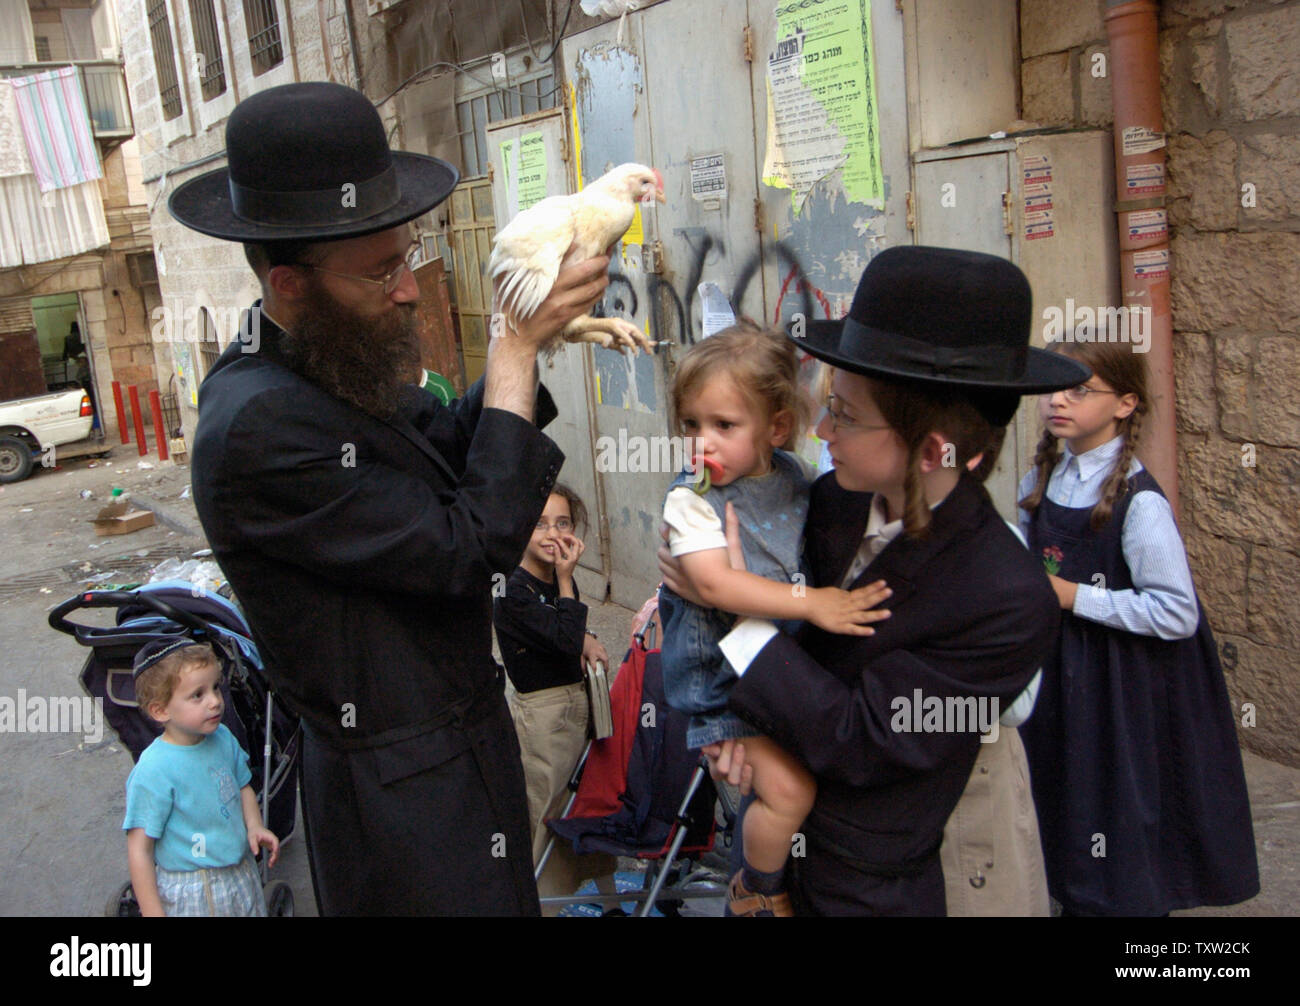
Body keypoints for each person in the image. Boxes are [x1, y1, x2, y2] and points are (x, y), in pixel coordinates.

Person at [174, 82, 614, 915]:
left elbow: (444, 439)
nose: (410, 289)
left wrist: (534, 337)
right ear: (291, 283)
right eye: (383, 271)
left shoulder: (326, 358)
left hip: (461, 756)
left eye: (405, 256)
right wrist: (513, 347)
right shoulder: (257, 426)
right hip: (401, 805)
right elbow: (467, 544)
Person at [661, 246, 1090, 914]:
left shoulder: (1008, 600)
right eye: (831, 404)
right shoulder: (830, 499)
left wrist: (733, 617)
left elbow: (859, 738)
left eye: (848, 415)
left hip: (865, 885)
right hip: (778, 836)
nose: (824, 428)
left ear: (928, 448)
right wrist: (735, 731)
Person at [1017, 336, 1259, 916]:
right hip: (1062, 680)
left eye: (1080, 390)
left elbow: (1176, 613)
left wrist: (1075, 596)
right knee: (1067, 811)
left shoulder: (1138, 502)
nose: (1059, 401)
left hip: (1123, 689)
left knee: (1120, 824)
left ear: (1125, 404)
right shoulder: (1041, 480)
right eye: (1054, 387)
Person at [657, 322, 891, 916]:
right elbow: (712, 582)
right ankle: (757, 893)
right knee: (790, 791)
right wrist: (815, 603)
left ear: (778, 427)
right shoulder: (692, 498)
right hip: (721, 684)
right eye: (690, 424)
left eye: (723, 426)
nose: (700, 444)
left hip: (776, 673)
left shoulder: (792, 477)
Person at [123, 637, 280, 916]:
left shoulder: (223, 738)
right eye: (198, 695)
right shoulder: (154, 770)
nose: (215, 702)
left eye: (215, 688)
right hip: (194, 887)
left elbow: (242, 785)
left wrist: (254, 825)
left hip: (240, 872)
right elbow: (140, 849)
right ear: (160, 710)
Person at [493, 483, 608, 862]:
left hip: (575, 706)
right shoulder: (512, 590)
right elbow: (562, 638)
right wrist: (564, 584)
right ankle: (539, 901)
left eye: (562, 523)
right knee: (545, 812)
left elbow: (569, 630)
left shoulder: (560, 575)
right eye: (539, 524)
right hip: (543, 718)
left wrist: (586, 635)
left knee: (580, 806)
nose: (553, 534)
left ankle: (602, 896)